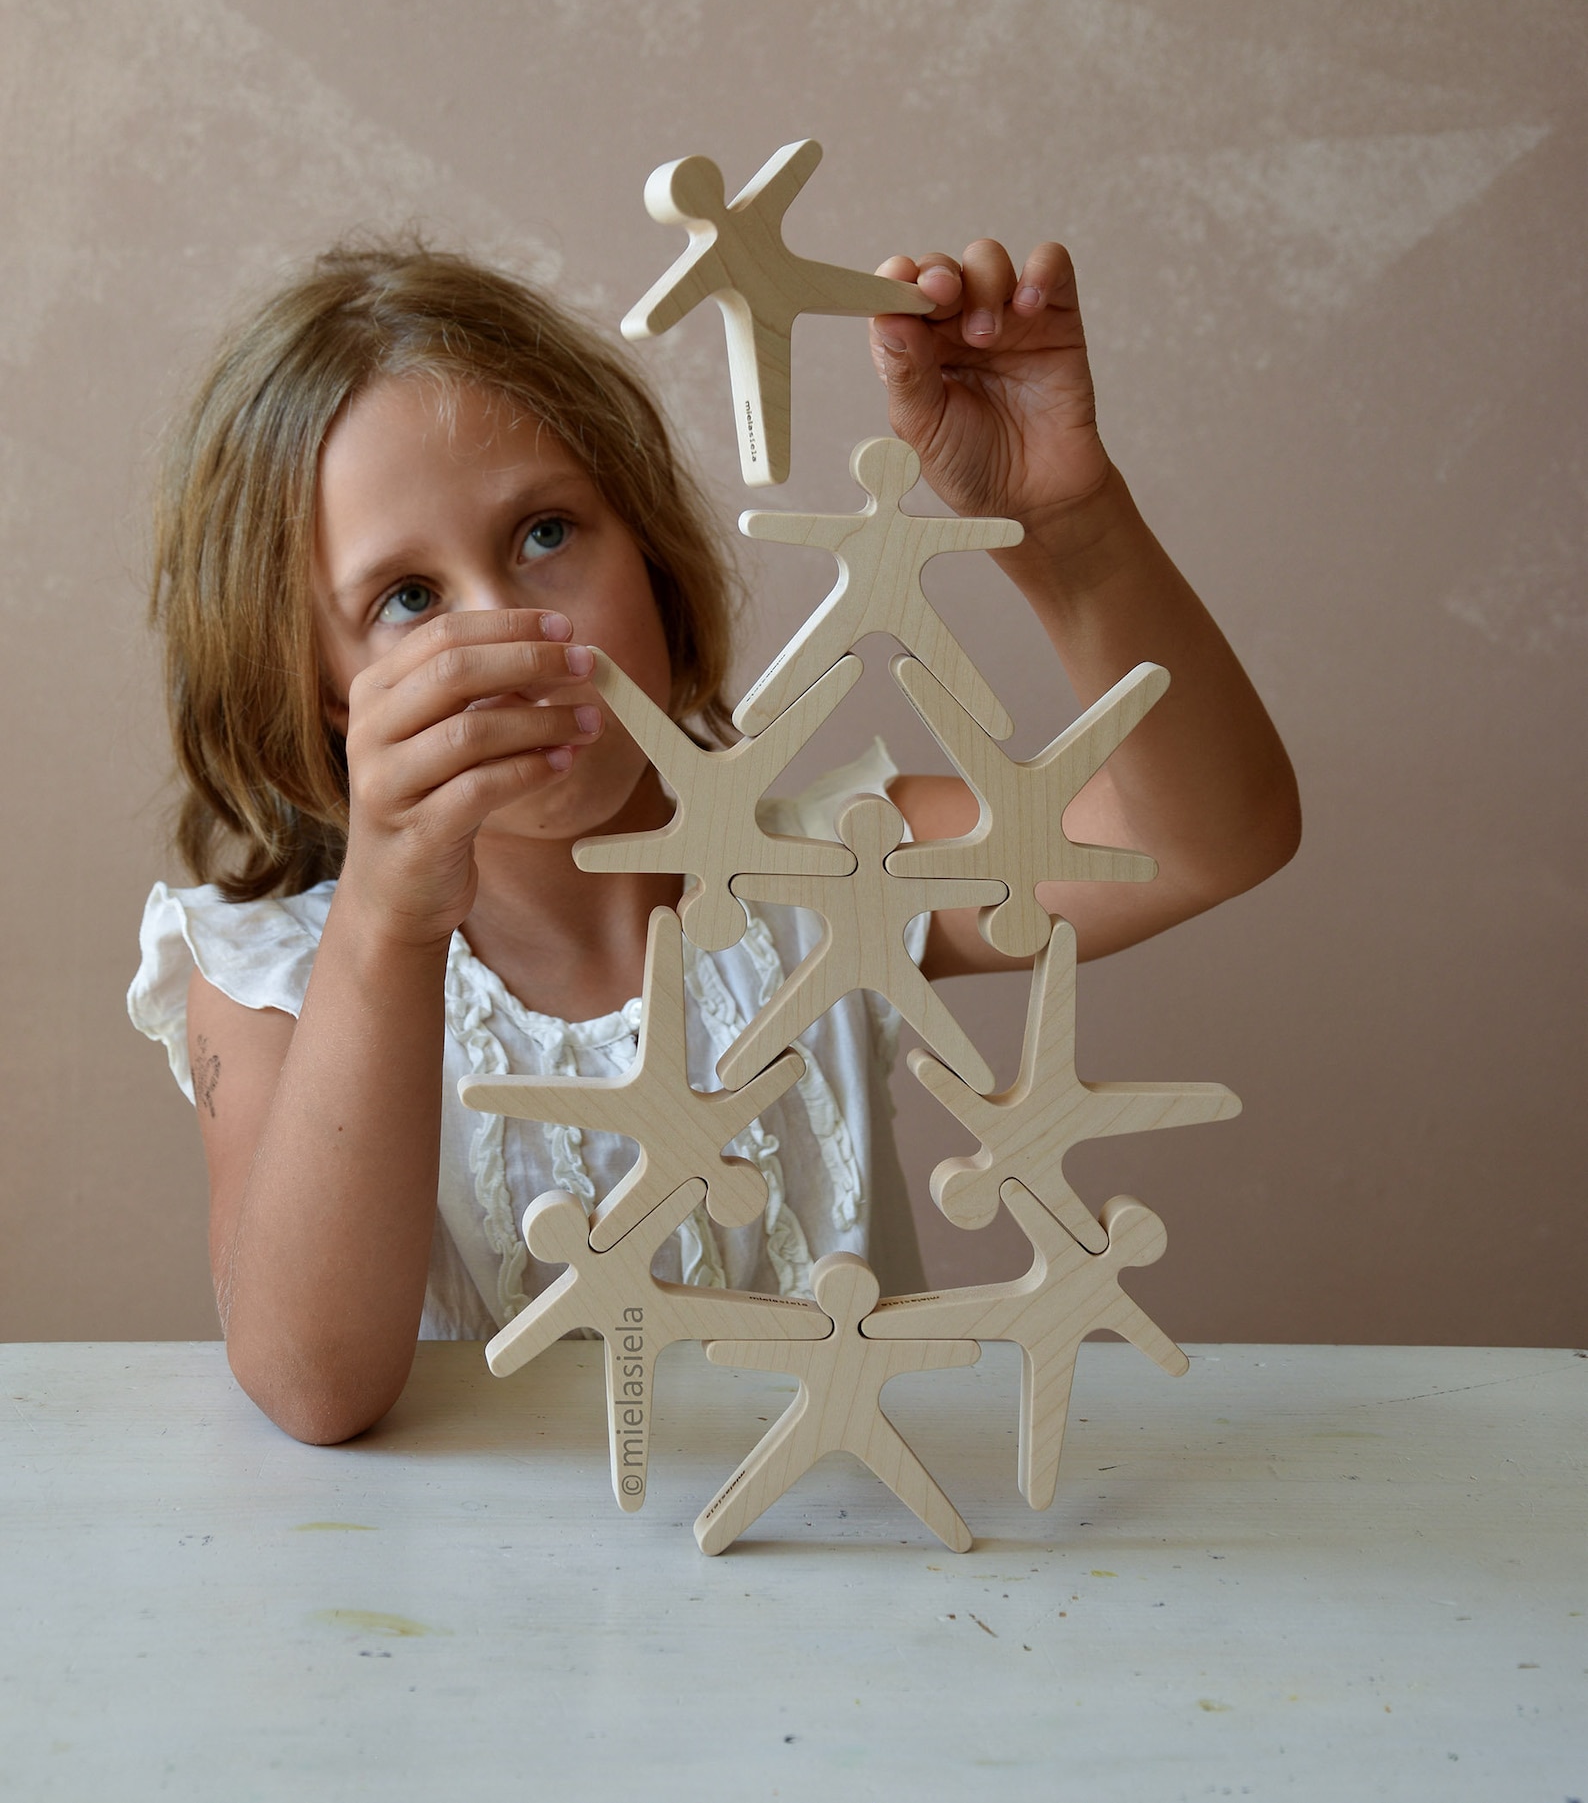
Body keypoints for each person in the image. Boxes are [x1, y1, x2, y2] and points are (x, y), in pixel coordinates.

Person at [129, 234, 1300, 1446]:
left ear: (643, 542)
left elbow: (1210, 838)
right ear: (323, 692)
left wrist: (1069, 523)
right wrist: (386, 914)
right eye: (408, 600)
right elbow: (314, 1384)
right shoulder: (266, 977)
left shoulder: (838, 867)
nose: (511, 631)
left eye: (543, 532)